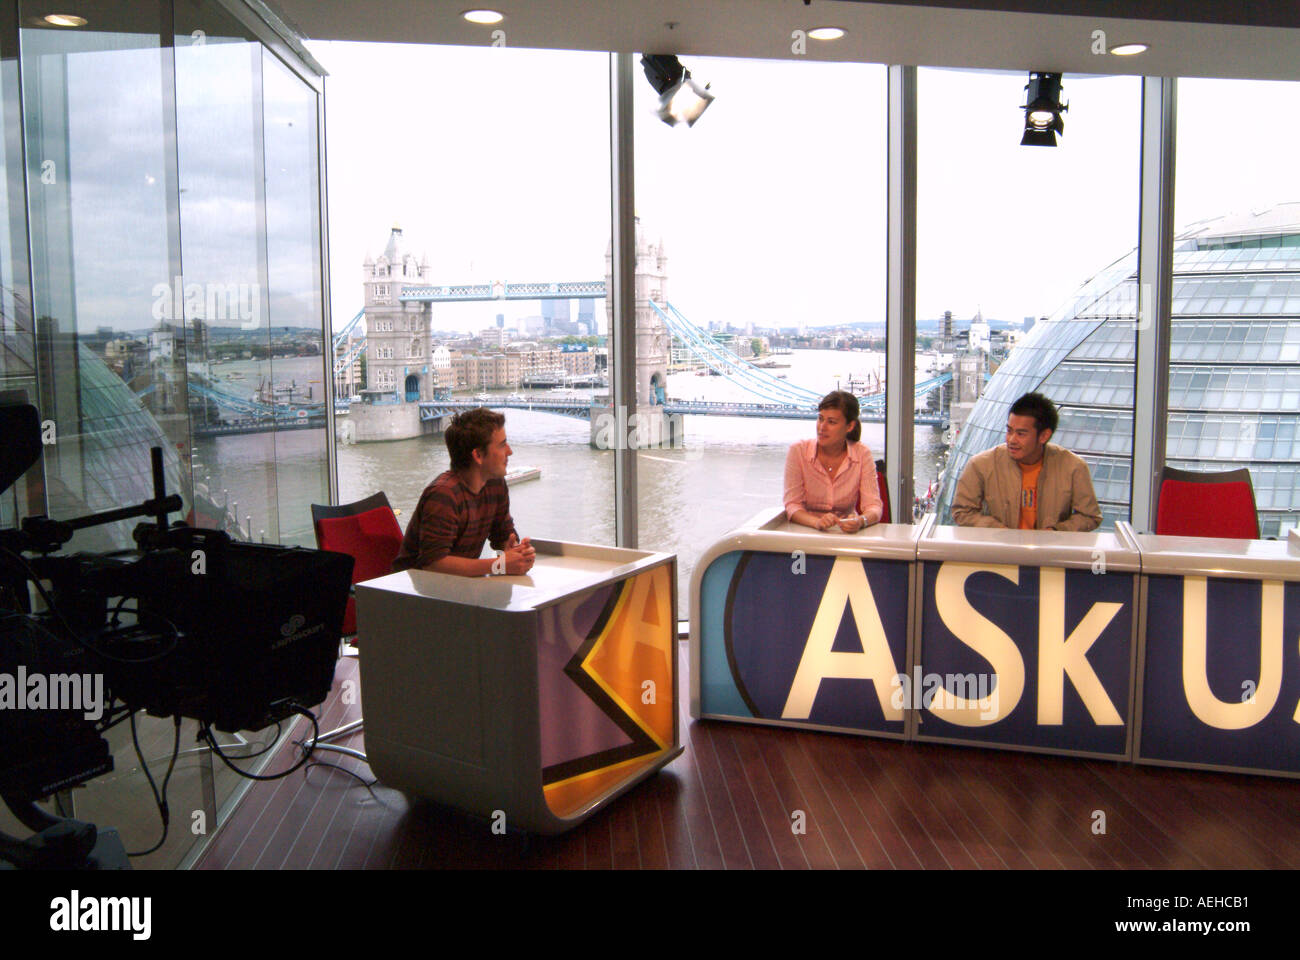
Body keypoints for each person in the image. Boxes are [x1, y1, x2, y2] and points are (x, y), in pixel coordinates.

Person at [392, 407, 536, 576]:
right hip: (414, 593)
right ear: (478, 456)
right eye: (502, 445)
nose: (510, 451)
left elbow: (503, 534)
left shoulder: (495, 484)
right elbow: (433, 564)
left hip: (459, 587)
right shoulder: (444, 495)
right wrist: (499, 565)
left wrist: (515, 550)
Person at [951, 391, 1101, 531]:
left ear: (1044, 436)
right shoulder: (981, 465)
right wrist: (997, 530)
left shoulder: (1073, 467)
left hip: (1049, 555)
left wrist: (1057, 532)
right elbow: (962, 512)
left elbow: (1090, 516)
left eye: (1021, 434)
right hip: (1000, 553)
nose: (1011, 440)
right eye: (1009, 431)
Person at [783, 390, 883, 532]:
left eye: (831, 422)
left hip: (845, 535)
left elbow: (874, 506)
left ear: (850, 426)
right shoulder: (798, 451)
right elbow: (792, 505)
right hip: (804, 533)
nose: (822, 427)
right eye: (820, 419)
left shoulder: (862, 454)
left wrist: (860, 521)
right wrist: (817, 522)